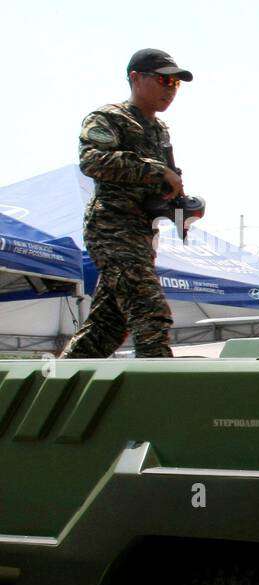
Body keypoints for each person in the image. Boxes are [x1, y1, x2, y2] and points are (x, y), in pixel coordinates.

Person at [61, 49, 193, 359]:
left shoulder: (159, 130)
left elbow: (158, 182)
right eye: (163, 79)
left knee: (107, 327)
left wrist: (176, 201)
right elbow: (93, 161)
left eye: (175, 83)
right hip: (112, 228)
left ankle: (54, 386)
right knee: (149, 312)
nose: (170, 88)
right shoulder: (108, 118)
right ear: (135, 78)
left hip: (141, 233)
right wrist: (156, 170)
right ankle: (159, 396)